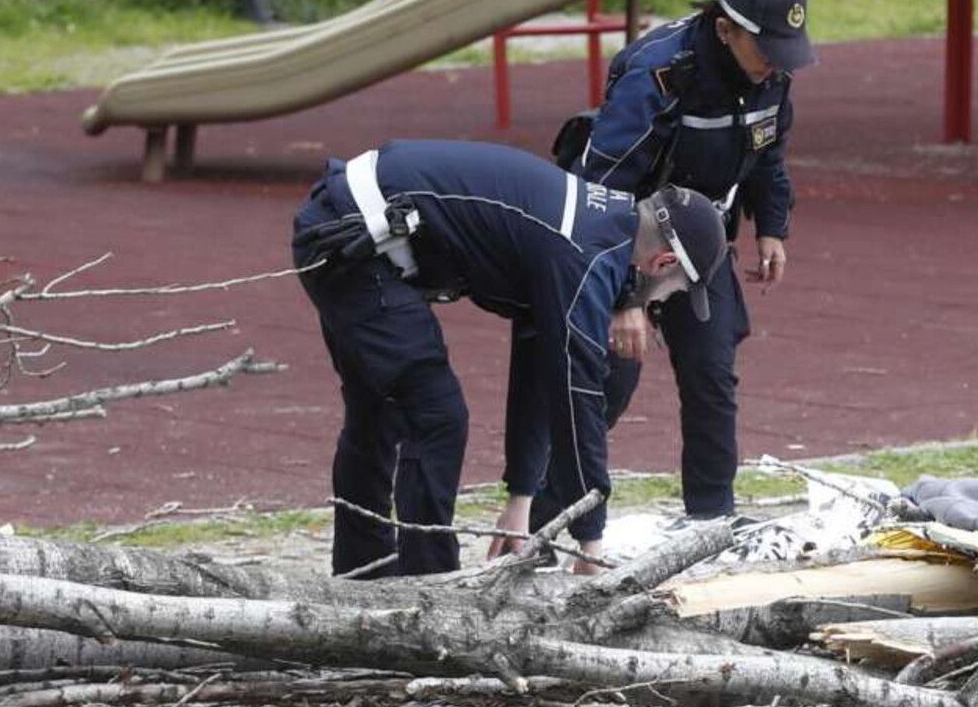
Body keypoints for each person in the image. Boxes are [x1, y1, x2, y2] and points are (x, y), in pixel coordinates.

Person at [289, 137, 729, 578]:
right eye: (678, 290)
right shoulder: (585, 260)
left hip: (344, 217)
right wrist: (590, 545)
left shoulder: (605, 224)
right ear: (663, 261)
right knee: (436, 414)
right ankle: (428, 586)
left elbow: (539, 360)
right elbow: (576, 399)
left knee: (380, 411)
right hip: (350, 238)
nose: (668, 301)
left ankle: (360, 576)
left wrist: (520, 498)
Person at [530, 0, 812, 533]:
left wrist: (772, 227)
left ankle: (711, 520)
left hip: (701, 242)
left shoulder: (771, 71)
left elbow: (767, 153)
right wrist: (627, 298)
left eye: (786, 54)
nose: (775, 67)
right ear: (725, 29)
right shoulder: (660, 74)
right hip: (623, 236)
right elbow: (601, 192)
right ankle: (545, 519)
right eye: (766, 51)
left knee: (712, 373)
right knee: (610, 379)